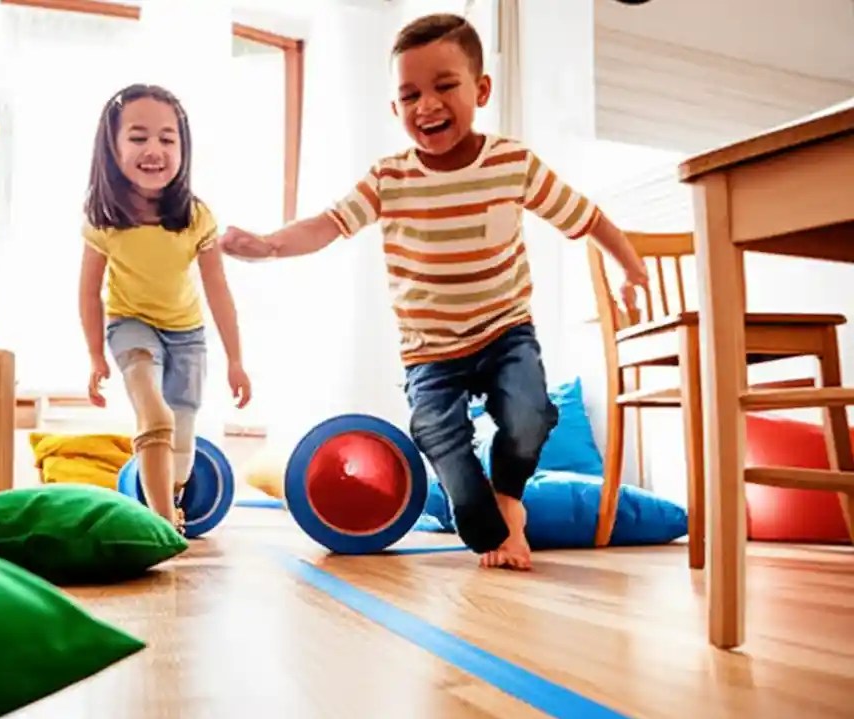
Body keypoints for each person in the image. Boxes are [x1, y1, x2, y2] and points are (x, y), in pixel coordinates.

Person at [218, 14, 648, 570]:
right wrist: (272, 244)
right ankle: (485, 519)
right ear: (394, 109)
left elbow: (588, 219)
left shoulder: (511, 163)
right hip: (430, 351)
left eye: (445, 86)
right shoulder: (389, 178)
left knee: (530, 415)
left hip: (504, 331)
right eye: (410, 94)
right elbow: (328, 224)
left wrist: (631, 270)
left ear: (481, 89)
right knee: (443, 453)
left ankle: (509, 496)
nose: (427, 105)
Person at [79, 83, 252, 534]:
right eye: (138, 138)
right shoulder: (104, 220)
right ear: (112, 147)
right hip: (130, 324)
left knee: (181, 431)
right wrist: (96, 354)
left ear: (183, 147)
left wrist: (236, 359)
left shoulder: (196, 217)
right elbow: (88, 292)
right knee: (154, 414)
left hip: (187, 334)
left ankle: (171, 495)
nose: (153, 149)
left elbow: (218, 289)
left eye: (166, 139)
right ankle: (161, 525)